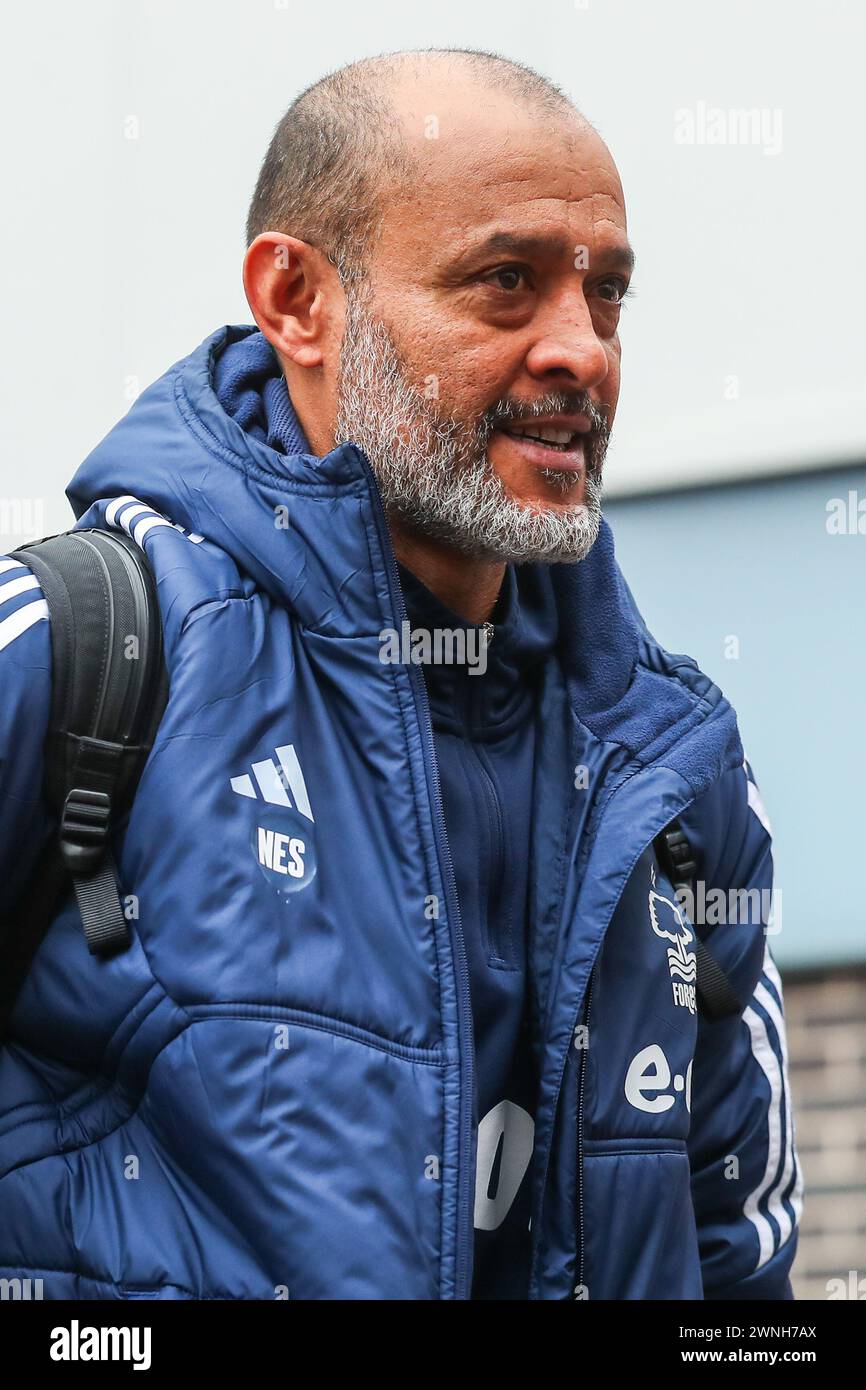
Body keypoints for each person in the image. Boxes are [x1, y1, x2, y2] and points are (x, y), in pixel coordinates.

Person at [0, 47, 801, 1300]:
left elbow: (735, 1267)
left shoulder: (678, 773)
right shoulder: (73, 651)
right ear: (297, 298)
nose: (580, 352)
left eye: (605, 297)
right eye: (505, 283)